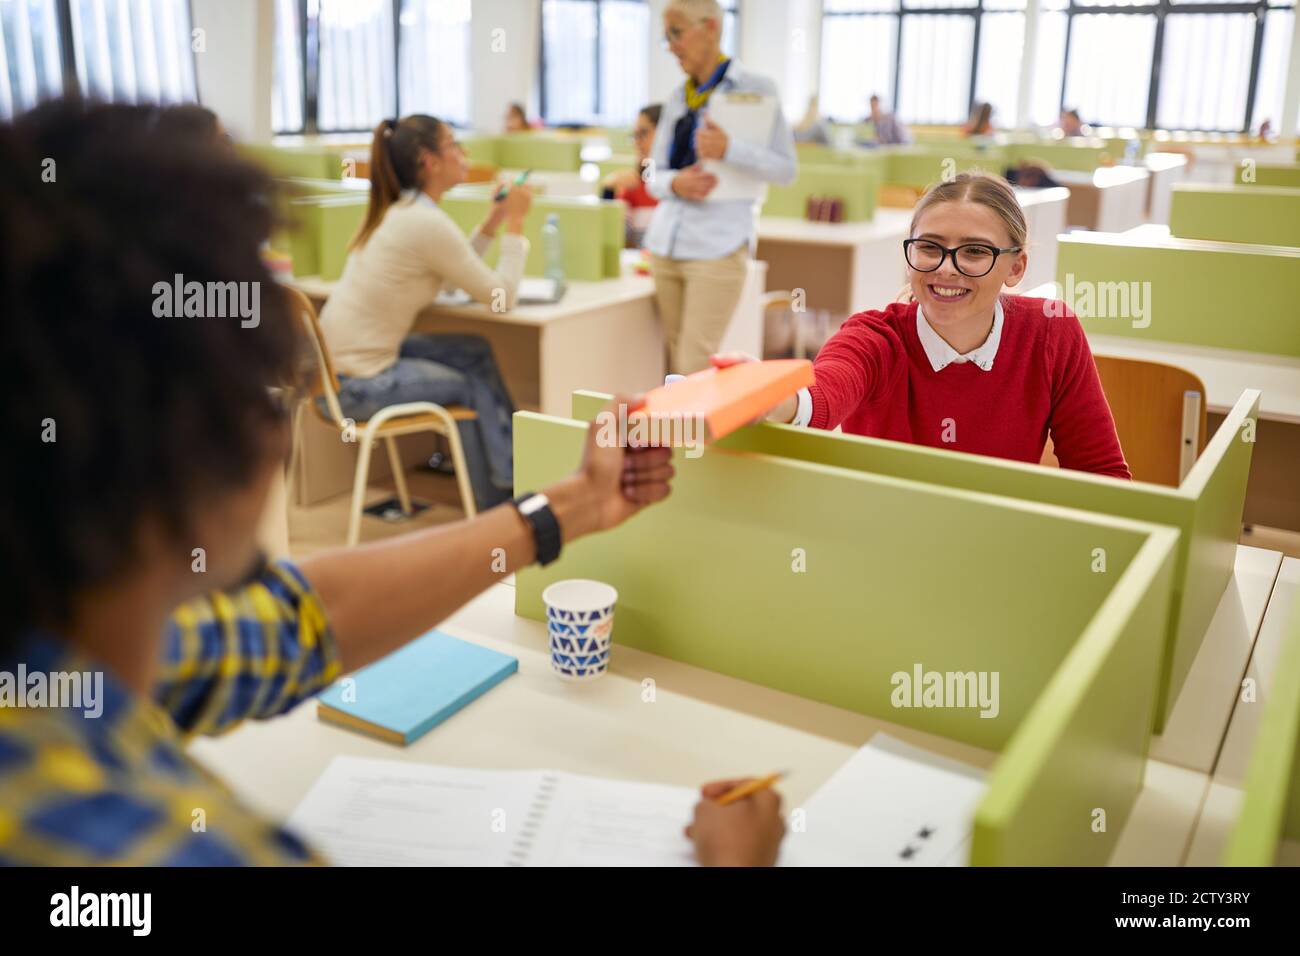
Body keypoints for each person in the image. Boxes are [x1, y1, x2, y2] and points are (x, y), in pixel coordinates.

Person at [0, 98, 715, 866]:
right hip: (372, 384)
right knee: (474, 360)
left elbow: (299, 623)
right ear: (200, 450)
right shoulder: (164, 851)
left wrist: (566, 507)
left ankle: (505, 477)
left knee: (471, 357)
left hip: (361, 378)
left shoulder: (68, 645)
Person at [715, 171, 1132, 479]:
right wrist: (772, 397)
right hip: (882, 540)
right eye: (930, 247)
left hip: (999, 545)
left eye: (974, 252)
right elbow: (823, 395)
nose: (946, 269)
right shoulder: (874, 338)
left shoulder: (1050, 332)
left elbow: (1101, 473)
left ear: (1016, 267)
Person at [318, 114, 531, 498]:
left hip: (335, 374)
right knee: (469, 386)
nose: (464, 153)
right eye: (453, 144)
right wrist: (516, 222)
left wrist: (493, 221)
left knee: (474, 351)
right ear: (429, 161)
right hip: (357, 386)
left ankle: (512, 472)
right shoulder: (424, 222)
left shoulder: (405, 211)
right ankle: (501, 497)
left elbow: (449, 277)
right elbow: (503, 299)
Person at [644, 0, 797, 375]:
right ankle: (682, 435)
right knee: (676, 361)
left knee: (694, 361)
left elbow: (786, 169)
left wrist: (731, 149)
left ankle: (694, 436)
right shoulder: (680, 96)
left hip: (717, 247)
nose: (671, 45)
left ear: (710, 27)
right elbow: (652, 173)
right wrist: (675, 183)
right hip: (666, 245)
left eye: (676, 33)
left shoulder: (758, 88)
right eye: (667, 37)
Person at [601, 104, 662, 248]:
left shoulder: (684, 185)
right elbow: (614, 241)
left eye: (644, 133)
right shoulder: (632, 186)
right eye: (635, 135)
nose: (637, 142)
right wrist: (608, 191)